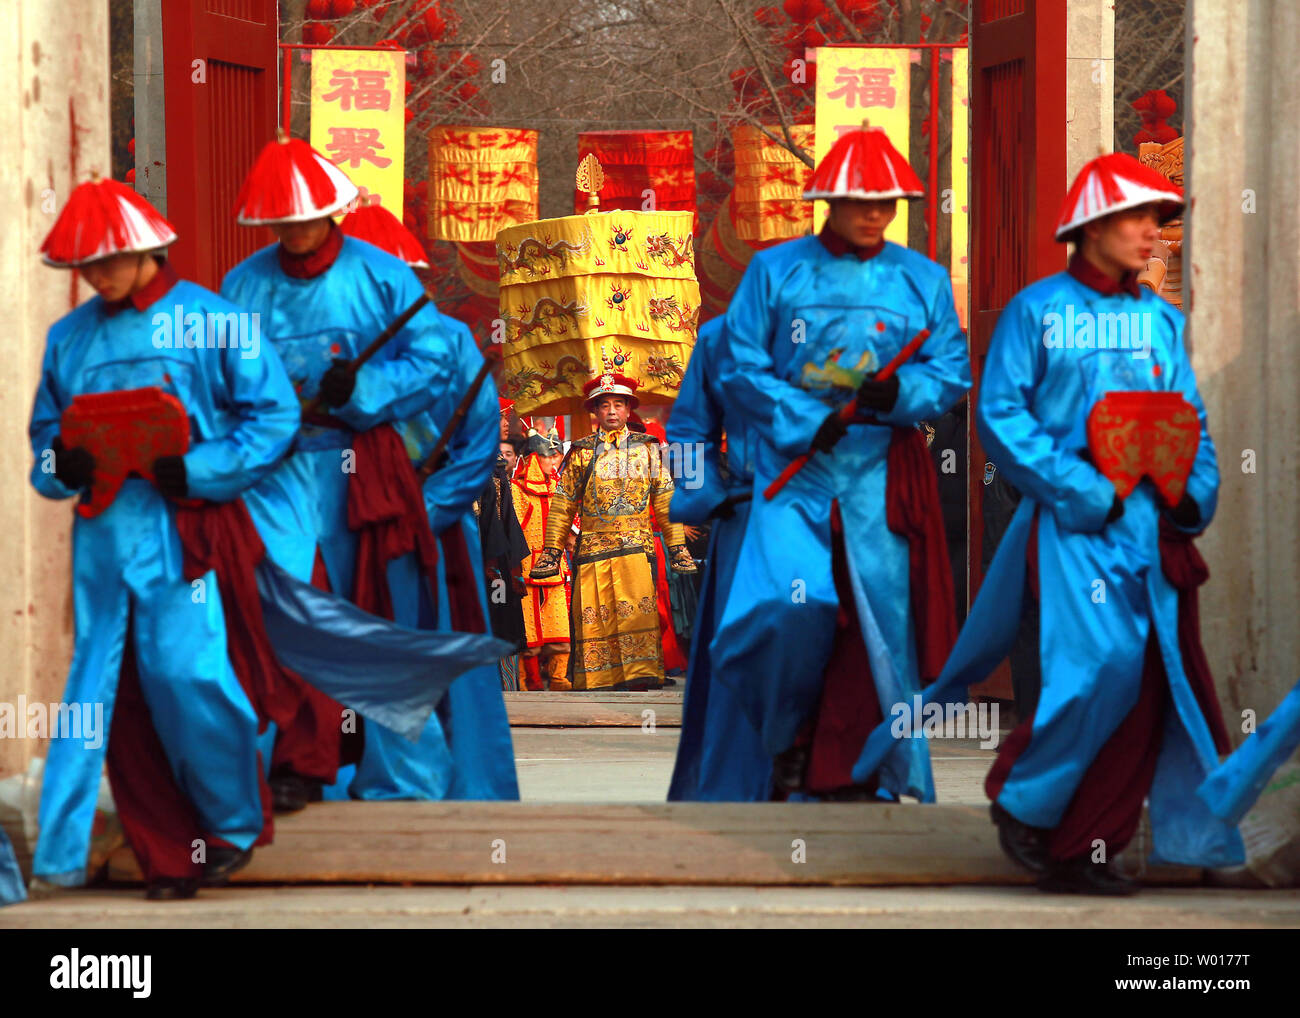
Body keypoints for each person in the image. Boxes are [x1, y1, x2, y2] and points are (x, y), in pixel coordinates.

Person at [853, 152, 1244, 894]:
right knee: (1097, 670)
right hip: (1076, 530)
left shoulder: (1163, 323)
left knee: (1151, 686)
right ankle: (1028, 805)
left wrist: (1197, 495)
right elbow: (1002, 416)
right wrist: (1083, 489)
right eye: (1138, 218)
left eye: (1159, 221)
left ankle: (1082, 844)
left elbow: (1189, 419)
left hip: (1154, 534)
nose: (1153, 235)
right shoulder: (1037, 312)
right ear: (1091, 226)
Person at [28, 176, 300, 899]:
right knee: (114, 701)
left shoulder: (215, 319)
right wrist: (64, 464)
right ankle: (170, 857)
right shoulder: (69, 338)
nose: (98, 276)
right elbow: (44, 447)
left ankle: (231, 825)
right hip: (106, 542)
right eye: (85, 266)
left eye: (108, 260)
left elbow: (273, 417)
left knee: (191, 679)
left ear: (149, 248)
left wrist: (201, 468)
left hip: (190, 536)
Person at [712, 127, 970, 801]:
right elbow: (737, 366)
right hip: (793, 469)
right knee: (784, 609)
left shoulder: (924, 279)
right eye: (861, 199)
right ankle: (787, 740)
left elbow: (950, 369)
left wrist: (903, 393)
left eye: (886, 200)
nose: (875, 212)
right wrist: (803, 418)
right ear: (829, 198)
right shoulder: (774, 271)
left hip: (879, 471)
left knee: (882, 623)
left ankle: (882, 769)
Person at [221, 135, 457, 811]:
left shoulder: (383, 277)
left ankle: (401, 778)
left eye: (304, 217)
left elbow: (432, 359)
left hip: (362, 472)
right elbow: (224, 378)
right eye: (280, 220)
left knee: (374, 616)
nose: (293, 231)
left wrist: (362, 389)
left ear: (332, 213)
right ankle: (293, 761)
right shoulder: (243, 286)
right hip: (279, 471)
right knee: (282, 611)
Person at [530, 370, 697, 690]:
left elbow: (664, 499)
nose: (611, 411)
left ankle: (640, 672)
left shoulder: (647, 449)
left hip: (636, 545)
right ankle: (599, 675)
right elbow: (563, 504)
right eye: (604, 405)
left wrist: (677, 547)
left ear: (628, 409)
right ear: (594, 411)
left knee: (639, 610)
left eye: (618, 404)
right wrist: (551, 552)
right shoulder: (579, 452)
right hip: (593, 546)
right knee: (597, 611)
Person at [666, 318, 773, 800]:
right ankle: (738, 777)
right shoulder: (722, 336)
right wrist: (708, 494)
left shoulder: (860, 318)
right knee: (741, 644)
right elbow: (689, 430)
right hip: (749, 516)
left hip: (842, 513)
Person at [512, 427, 572, 690]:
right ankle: (528, 679)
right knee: (528, 626)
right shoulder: (516, 490)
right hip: (526, 566)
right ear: (534, 458)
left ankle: (559, 677)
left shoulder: (561, 487)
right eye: (547, 457)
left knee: (558, 621)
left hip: (556, 566)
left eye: (556, 456)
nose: (553, 461)